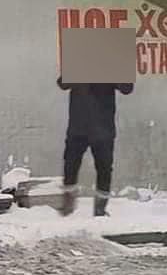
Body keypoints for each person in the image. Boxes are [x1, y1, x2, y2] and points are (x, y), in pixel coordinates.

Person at [57, 75, 134, 217]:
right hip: (78, 126)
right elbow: (62, 83)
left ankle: (100, 209)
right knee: (70, 165)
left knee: (104, 168)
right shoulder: (79, 60)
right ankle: (68, 205)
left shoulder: (112, 62)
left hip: (103, 129)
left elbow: (127, 88)